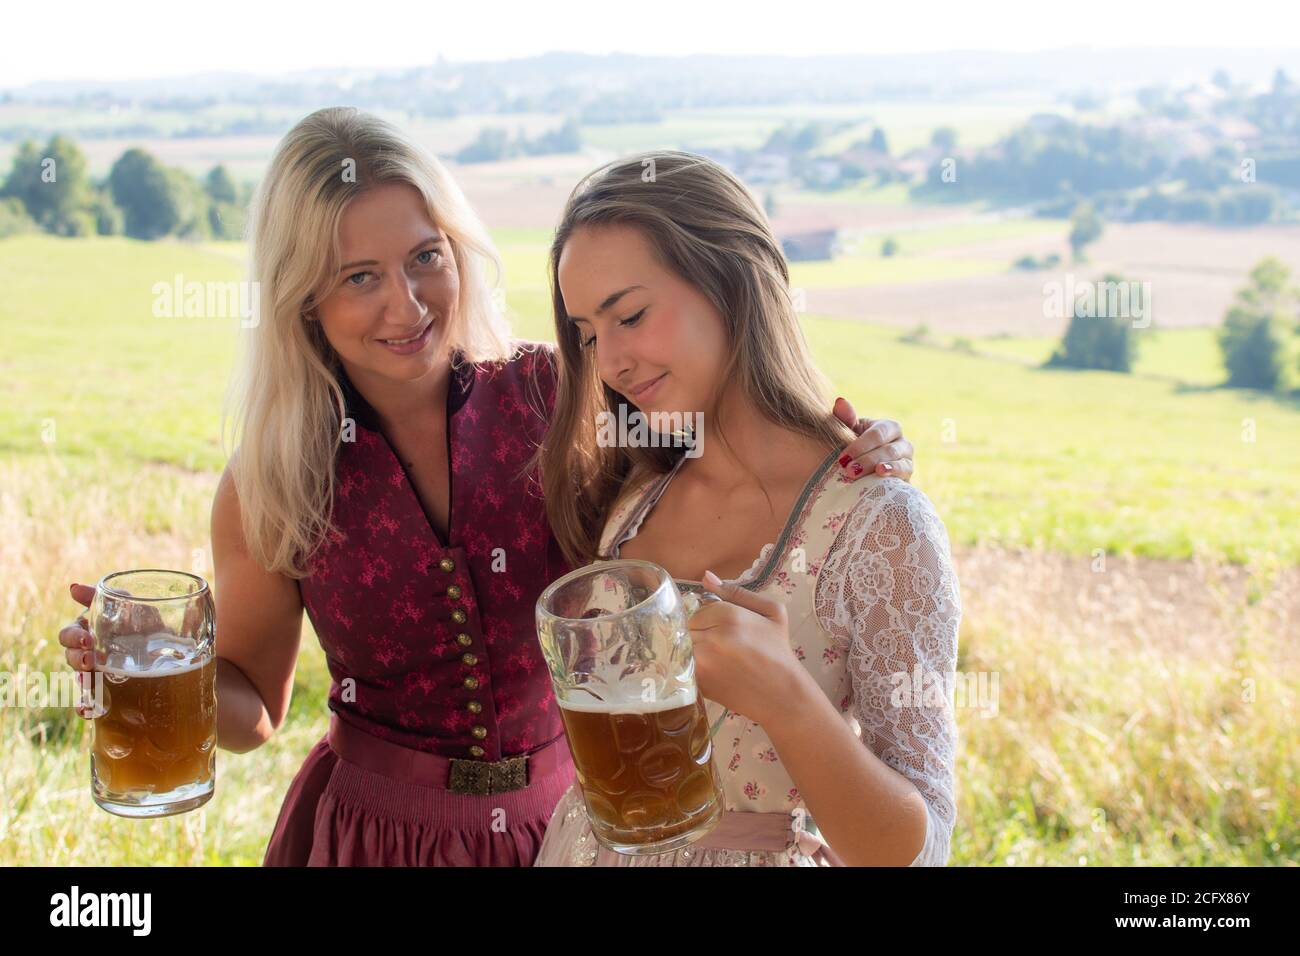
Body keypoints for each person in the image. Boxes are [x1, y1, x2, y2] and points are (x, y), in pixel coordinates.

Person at [57, 109, 916, 867]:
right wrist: (156, 675)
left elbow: (716, 435)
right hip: (374, 836)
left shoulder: (557, 398)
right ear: (301, 298)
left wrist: (856, 442)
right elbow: (254, 713)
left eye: (426, 257)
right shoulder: (274, 477)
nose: (409, 303)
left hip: (569, 825)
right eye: (360, 277)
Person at [533, 151, 960, 867]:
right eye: (586, 334)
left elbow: (921, 851)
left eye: (630, 314)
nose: (608, 363)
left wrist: (786, 698)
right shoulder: (631, 500)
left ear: (733, 280)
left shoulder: (878, 527)